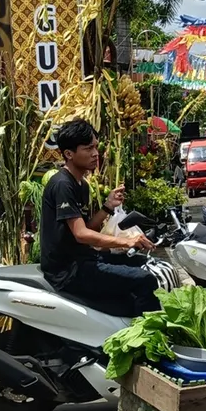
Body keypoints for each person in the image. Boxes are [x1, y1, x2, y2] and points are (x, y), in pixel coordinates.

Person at [38, 118, 161, 317]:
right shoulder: (62, 184)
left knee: (142, 264)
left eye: (96, 147)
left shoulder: (82, 185)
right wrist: (126, 241)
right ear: (69, 154)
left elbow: (87, 228)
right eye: (88, 149)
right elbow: (81, 234)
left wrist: (107, 207)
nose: (96, 154)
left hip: (83, 259)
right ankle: (147, 341)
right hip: (68, 271)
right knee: (145, 279)